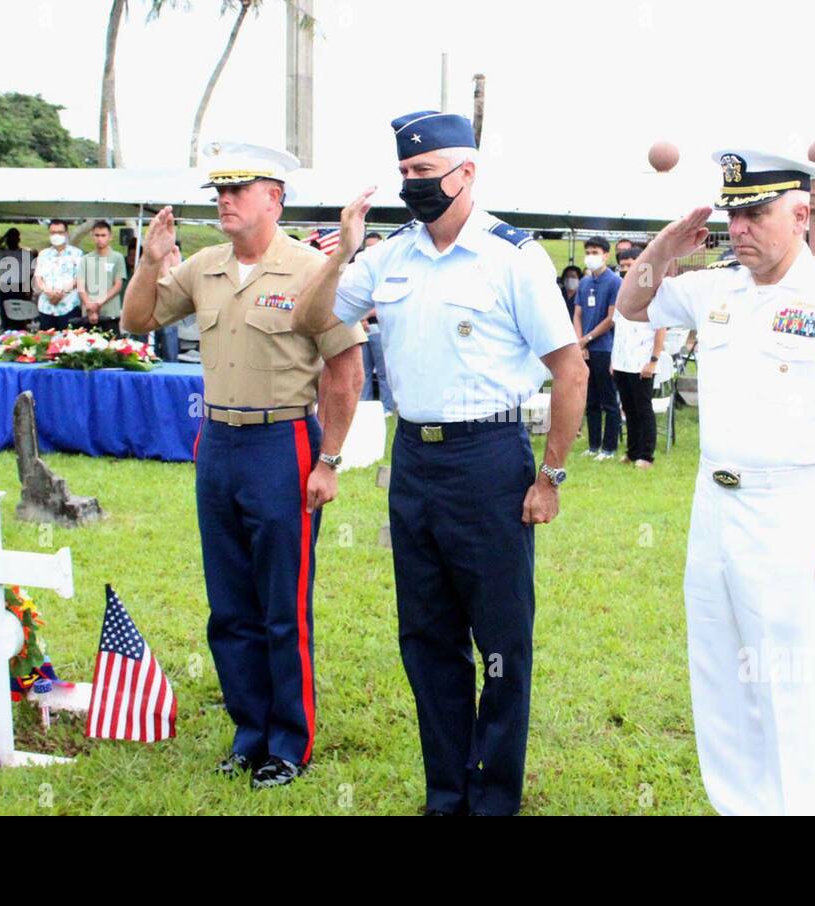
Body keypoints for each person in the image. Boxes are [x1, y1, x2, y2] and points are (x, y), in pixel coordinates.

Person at [292, 110, 587, 816]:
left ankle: (494, 798)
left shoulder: (513, 257)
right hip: (413, 464)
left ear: (468, 173)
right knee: (427, 638)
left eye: (424, 173)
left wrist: (550, 476)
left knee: (501, 642)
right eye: (405, 175)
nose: (413, 185)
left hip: (489, 460)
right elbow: (310, 318)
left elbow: (570, 369)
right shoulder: (391, 255)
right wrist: (344, 252)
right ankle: (447, 792)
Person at [616, 149, 815, 815]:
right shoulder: (716, 288)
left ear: (799, 214)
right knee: (719, 673)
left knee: (786, 684)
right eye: (733, 213)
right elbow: (631, 302)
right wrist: (666, 243)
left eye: (754, 212)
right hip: (715, 501)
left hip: (790, 507)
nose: (739, 226)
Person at [120, 142, 366, 789]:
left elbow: (346, 370)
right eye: (218, 192)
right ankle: (249, 732)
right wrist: (149, 262)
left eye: (238, 189)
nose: (224, 201)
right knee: (229, 606)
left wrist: (331, 460)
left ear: (274, 198)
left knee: (283, 605)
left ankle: (289, 741)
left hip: (282, 442)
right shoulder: (203, 267)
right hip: (218, 444)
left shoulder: (313, 269)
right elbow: (137, 316)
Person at [611, 246, 665, 467]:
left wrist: (653, 360)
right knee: (628, 407)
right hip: (622, 360)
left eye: (630, 265)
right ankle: (632, 452)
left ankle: (646, 455)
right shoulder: (622, 290)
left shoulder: (651, 290)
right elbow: (618, 326)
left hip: (642, 360)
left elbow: (661, 327)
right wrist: (614, 361)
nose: (625, 269)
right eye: (623, 266)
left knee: (643, 408)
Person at [575, 236, 622, 460]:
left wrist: (588, 338)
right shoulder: (584, 283)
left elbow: (611, 318)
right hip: (585, 349)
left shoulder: (614, 282)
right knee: (590, 399)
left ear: (606, 255)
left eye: (595, 252)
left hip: (604, 347)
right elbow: (578, 313)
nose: (591, 256)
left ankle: (609, 447)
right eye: (588, 251)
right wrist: (579, 342)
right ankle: (593, 445)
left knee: (608, 399)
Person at [356, 232, 394, 415]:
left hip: (378, 328)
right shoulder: (360, 272)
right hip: (361, 328)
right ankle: (364, 406)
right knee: (362, 372)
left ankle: (386, 407)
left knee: (383, 371)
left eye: (375, 246)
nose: (371, 250)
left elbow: (386, 303)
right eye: (368, 246)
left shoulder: (390, 272)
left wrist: (364, 315)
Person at [77, 221, 127, 334]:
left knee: (112, 348)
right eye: (97, 235)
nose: (100, 239)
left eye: (103, 235)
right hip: (88, 313)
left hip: (110, 313)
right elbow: (81, 286)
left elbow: (118, 285)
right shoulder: (85, 259)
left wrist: (98, 303)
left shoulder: (117, 258)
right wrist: (89, 305)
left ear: (110, 237)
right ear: (92, 237)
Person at [34, 219, 83, 330]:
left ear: (66, 233)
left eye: (60, 232)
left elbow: (79, 278)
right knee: (45, 342)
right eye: (53, 233)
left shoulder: (77, 253)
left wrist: (61, 293)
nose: (56, 235)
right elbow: (38, 277)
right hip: (46, 307)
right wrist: (49, 292)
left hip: (69, 306)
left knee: (69, 342)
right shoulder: (43, 254)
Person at [0, 228, 36, 331]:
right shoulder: (0, 253)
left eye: (14, 237)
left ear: (18, 239)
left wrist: (29, 292)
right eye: (9, 238)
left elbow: (31, 275)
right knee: (6, 317)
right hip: (5, 286)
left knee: (20, 317)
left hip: (20, 287)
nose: (12, 240)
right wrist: (1, 240)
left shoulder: (26, 254)